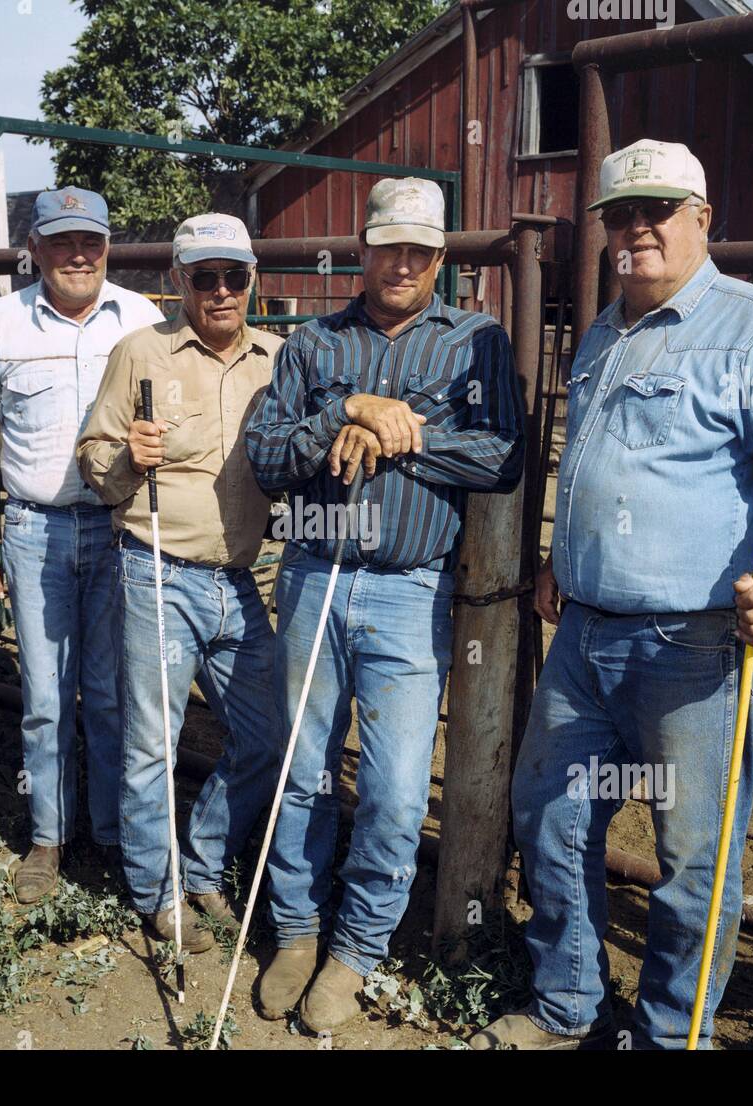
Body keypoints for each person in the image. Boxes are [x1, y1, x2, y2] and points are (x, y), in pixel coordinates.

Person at [472, 139, 753, 1050]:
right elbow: (603, 462)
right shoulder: (605, 331)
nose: (637, 228)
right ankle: (567, 1005)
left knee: (691, 859)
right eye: (620, 214)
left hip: (697, 647)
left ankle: (673, 1033)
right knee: (550, 812)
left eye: (658, 211)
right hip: (588, 635)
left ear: (702, 219)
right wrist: (569, 553)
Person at [244, 177, 524, 1034]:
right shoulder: (312, 344)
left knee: (400, 789)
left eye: (420, 250)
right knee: (302, 766)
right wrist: (345, 413)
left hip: (409, 590)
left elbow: (502, 456)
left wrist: (408, 430)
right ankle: (295, 928)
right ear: (361, 249)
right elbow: (263, 452)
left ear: (439, 258)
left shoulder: (475, 341)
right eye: (386, 246)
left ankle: (356, 947)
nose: (401, 263)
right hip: (311, 574)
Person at [77, 213, 284, 951]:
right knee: (151, 745)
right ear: (178, 281)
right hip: (156, 569)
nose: (222, 290)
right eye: (205, 276)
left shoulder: (277, 358)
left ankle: (202, 862)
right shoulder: (141, 352)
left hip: (241, 580)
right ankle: (157, 892)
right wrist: (129, 456)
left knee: (268, 735)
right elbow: (94, 466)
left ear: (252, 278)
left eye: (234, 275)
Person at [0, 188, 162, 902]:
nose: (79, 254)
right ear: (35, 247)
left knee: (111, 692)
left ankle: (109, 833)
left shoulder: (143, 318)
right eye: (62, 241)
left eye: (92, 241)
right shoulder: (1, 321)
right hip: (36, 528)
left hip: (117, 529)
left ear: (108, 245)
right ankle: (49, 836)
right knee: (45, 696)